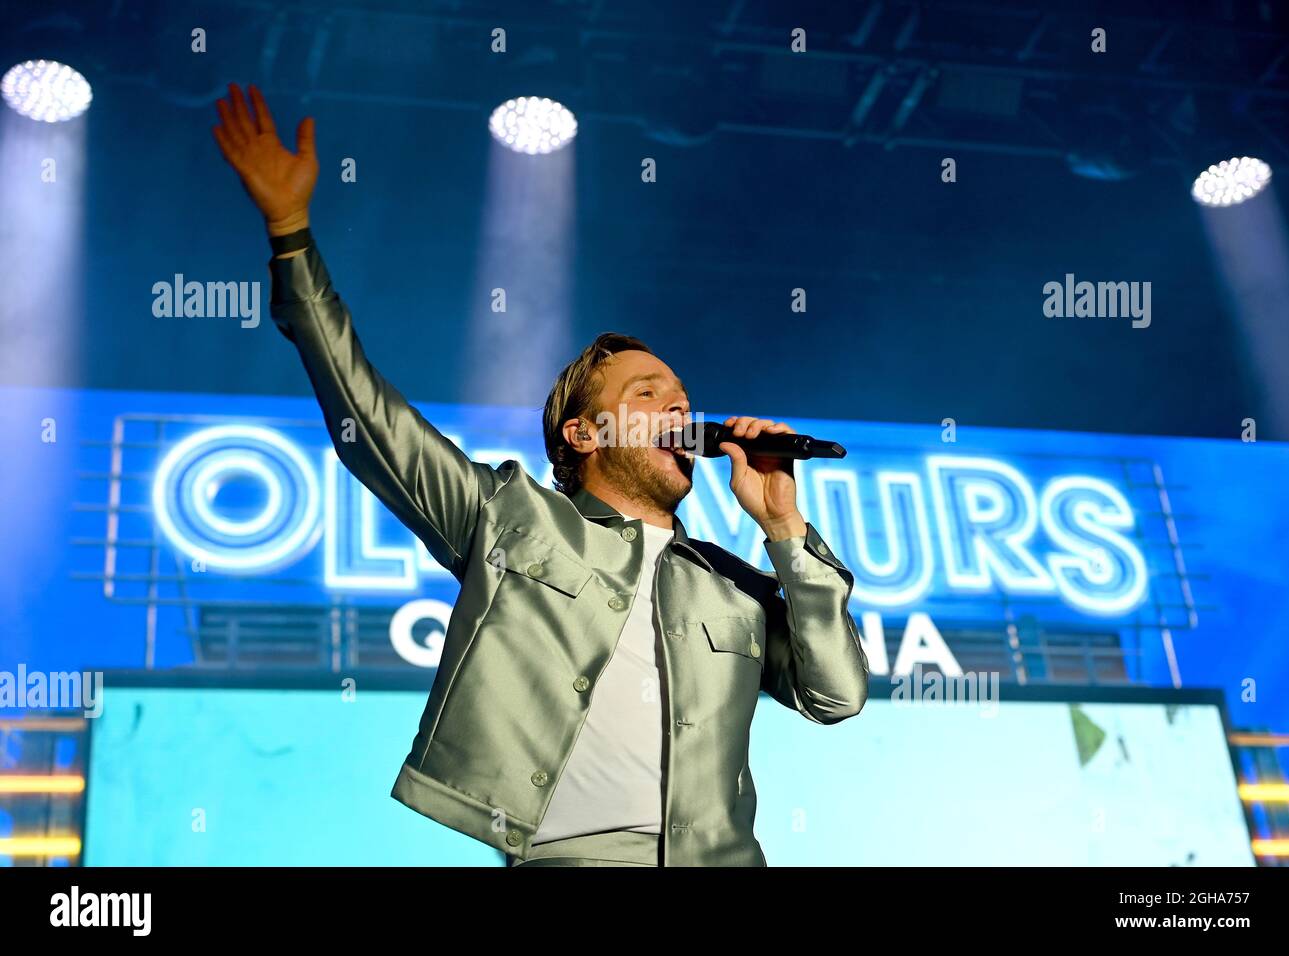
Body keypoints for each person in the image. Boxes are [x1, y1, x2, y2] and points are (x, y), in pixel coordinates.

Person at [212, 83, 869, 867]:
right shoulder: (509, 516)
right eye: (647, 392)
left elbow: (838, 695)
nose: (679, 405)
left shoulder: (734, 584)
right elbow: (367, 416)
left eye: (683, 397)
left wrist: (785, 531)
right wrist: (291, 235)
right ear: (585, 431)